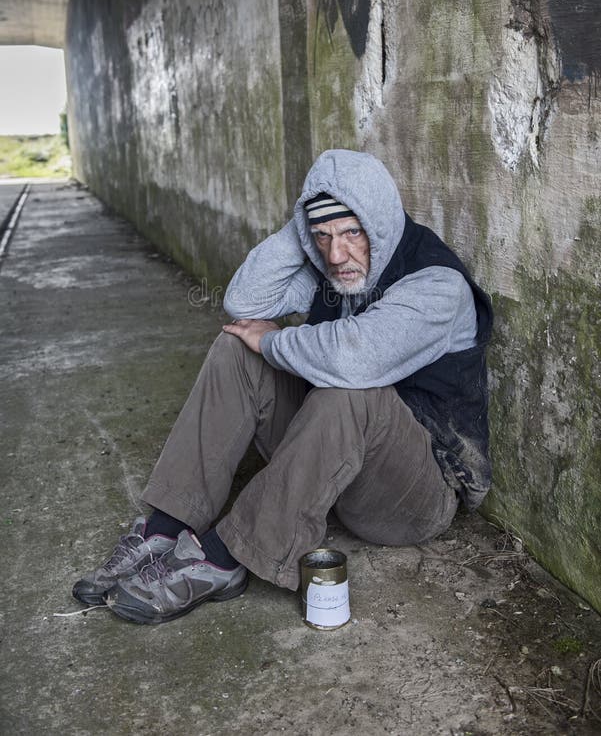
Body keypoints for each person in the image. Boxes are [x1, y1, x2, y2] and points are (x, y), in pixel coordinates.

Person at [72, 149, 493, 624]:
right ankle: (167, 525)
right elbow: (244, 303)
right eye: (324, 236)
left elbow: (354, 358)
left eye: (353, 232)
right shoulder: (333, 266)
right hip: (341, 472)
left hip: (414, 496)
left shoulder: (437, 284)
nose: (337, 255)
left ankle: (225, 557)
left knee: (351, 388)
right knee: (237, 349)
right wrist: (303, 228)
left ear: (381, 221)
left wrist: (275, 339)